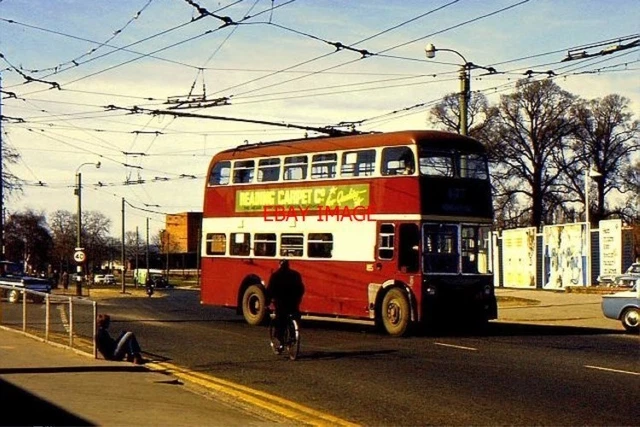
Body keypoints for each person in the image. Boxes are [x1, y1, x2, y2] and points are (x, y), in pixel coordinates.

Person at [266, 259, 305, 352]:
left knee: (280, 321)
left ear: (279, 265)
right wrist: (298, 299)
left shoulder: (275, 276)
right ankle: (293, 336)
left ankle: (280, 342)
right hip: (293, 303)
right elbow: (301, 288)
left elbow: (270, 290)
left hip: (281, 303)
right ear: (288, 265)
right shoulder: (296, 275)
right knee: (295, 316)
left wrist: (267, 303)